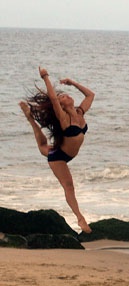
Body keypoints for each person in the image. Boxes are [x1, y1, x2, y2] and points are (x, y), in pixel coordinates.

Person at [20, 66, 95, 233]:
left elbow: (90, 95)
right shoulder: (64, 118)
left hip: (64, 151)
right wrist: (45, 77)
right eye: (63, 97)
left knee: (44, 147)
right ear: (60, 105)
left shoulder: (80, 113)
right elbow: (53, 99)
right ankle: (80, 218)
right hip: (59, 157)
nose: (66, 95)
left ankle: (30, 118)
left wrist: (72, 83)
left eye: (66, 94)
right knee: (69, 186)